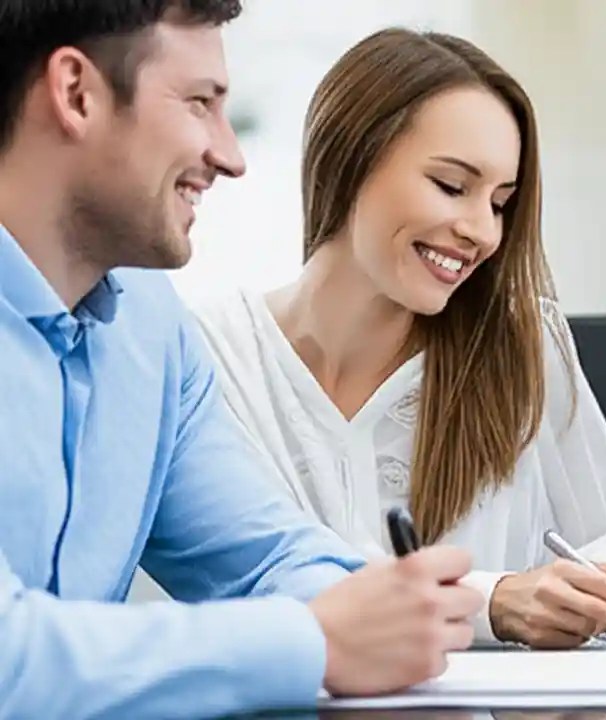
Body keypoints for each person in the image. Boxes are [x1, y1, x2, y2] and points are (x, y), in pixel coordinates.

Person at [0, 3, 485, 718]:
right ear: (77, 93)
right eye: (200, 103)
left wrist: (386, 614)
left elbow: (263, 556)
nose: (231, 156)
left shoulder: (151, 328)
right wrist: (314, 641)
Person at [194, 28, 606, 650]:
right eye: (452, 186)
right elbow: (251, 584)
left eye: (500, 203)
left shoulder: (522, 343)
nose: (483, 231)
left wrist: (588, 589)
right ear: (351, 159)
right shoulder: (212, 356)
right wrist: (493, 601)